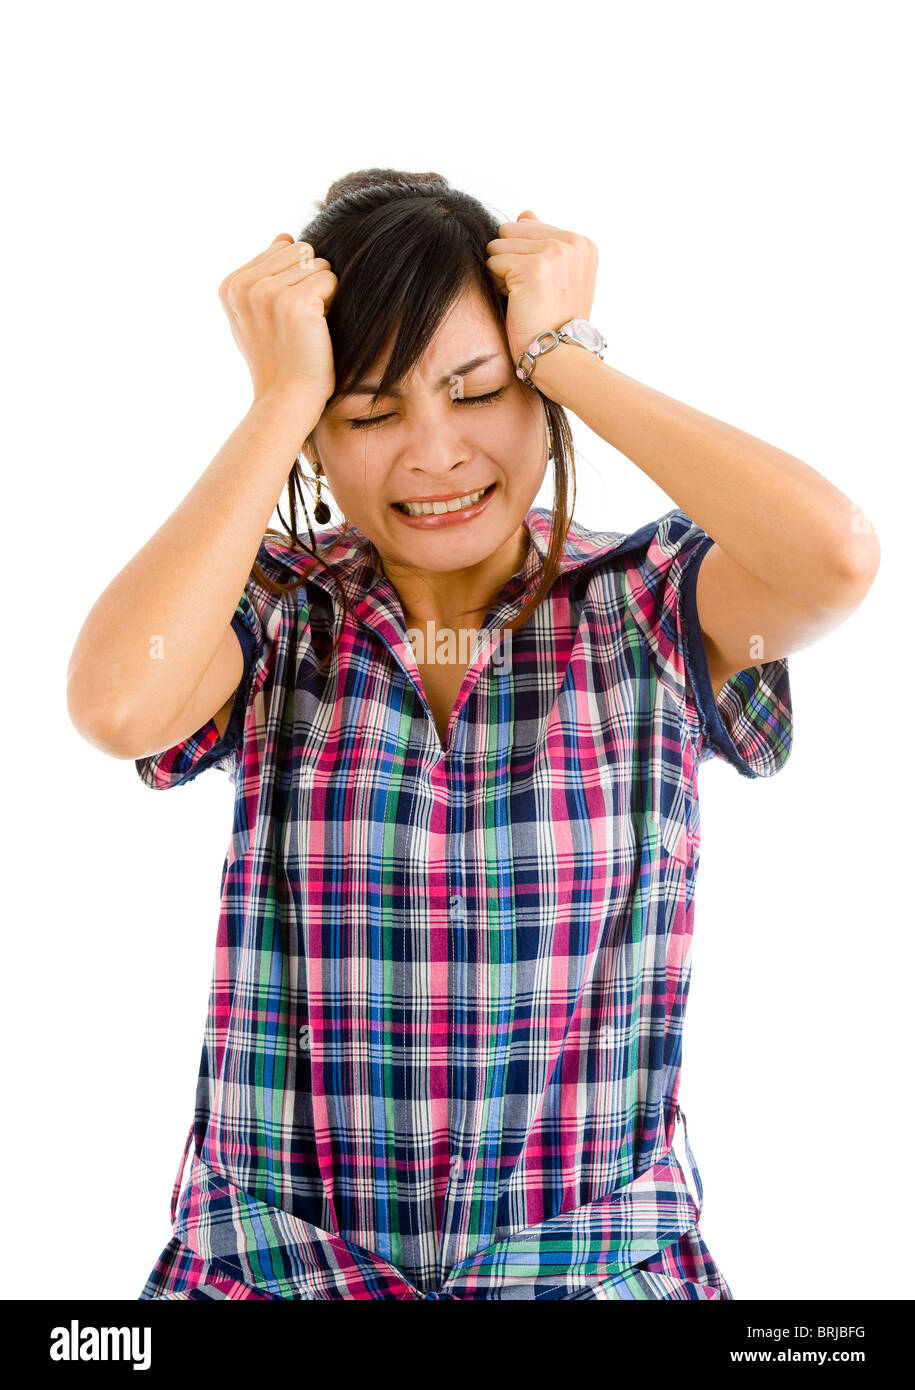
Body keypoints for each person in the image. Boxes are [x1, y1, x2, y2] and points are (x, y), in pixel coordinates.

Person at [67, 169, 880, 1300]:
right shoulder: (278, 610)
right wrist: (274, 401)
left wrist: (569, 356)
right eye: (367, 411)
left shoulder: (644, 602)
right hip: (284, 1275)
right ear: (315, 438)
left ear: (537, 397)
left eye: (479, 389)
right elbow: (115, 705)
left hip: (591, 1273)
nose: (434, 452)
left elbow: (836, 555)